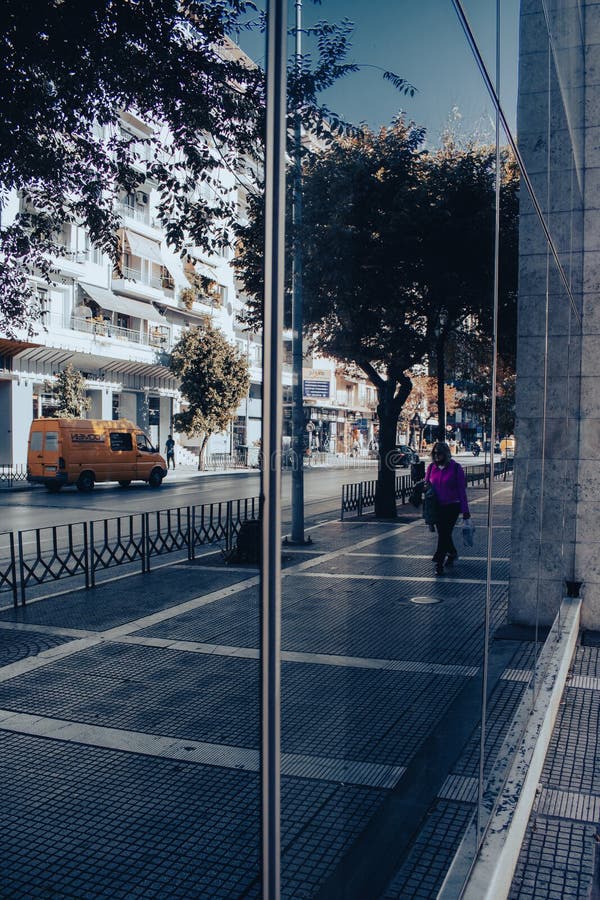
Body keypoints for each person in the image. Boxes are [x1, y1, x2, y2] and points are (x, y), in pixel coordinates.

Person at [425, 441, 470, 576]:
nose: (437, 455)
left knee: (444, 533)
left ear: (446, 453)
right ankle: (452, 552)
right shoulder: (431, 468)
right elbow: (427, 485)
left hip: (452, 506)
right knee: (443, 533)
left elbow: (462, 491)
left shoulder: (456, 468)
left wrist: (465, 510)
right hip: (436, 506)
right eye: (435, 453)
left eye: (439, 453)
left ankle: (439, 562)